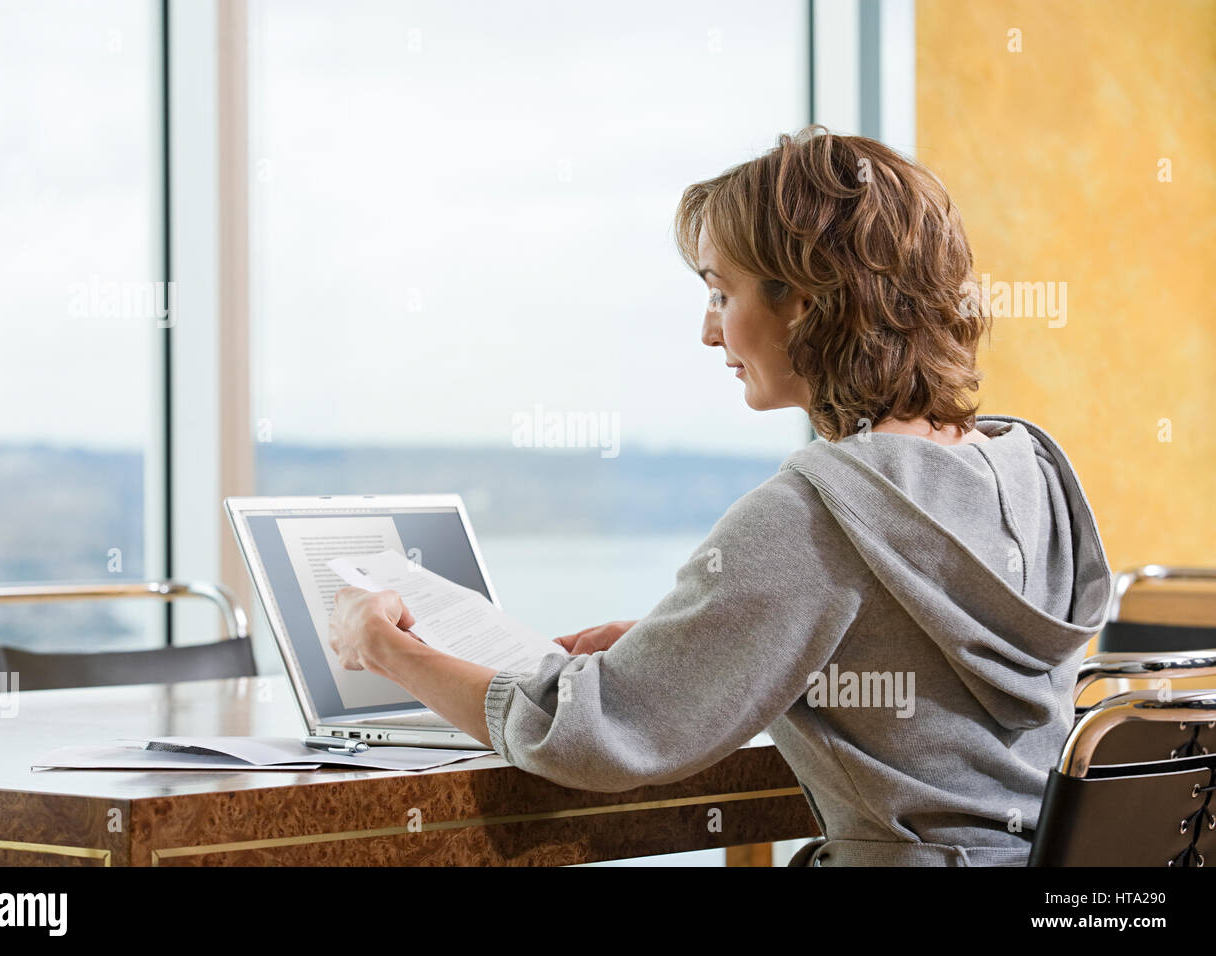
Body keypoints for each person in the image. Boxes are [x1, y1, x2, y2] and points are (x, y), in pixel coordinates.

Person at [327, 126, 1112, 866]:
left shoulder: (822, 510)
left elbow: (590, 736)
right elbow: (920, 666)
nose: (710, 333)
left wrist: (389, 650)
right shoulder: (1030, 468)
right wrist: (710, 643)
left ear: (804, 301)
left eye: (720, 294)